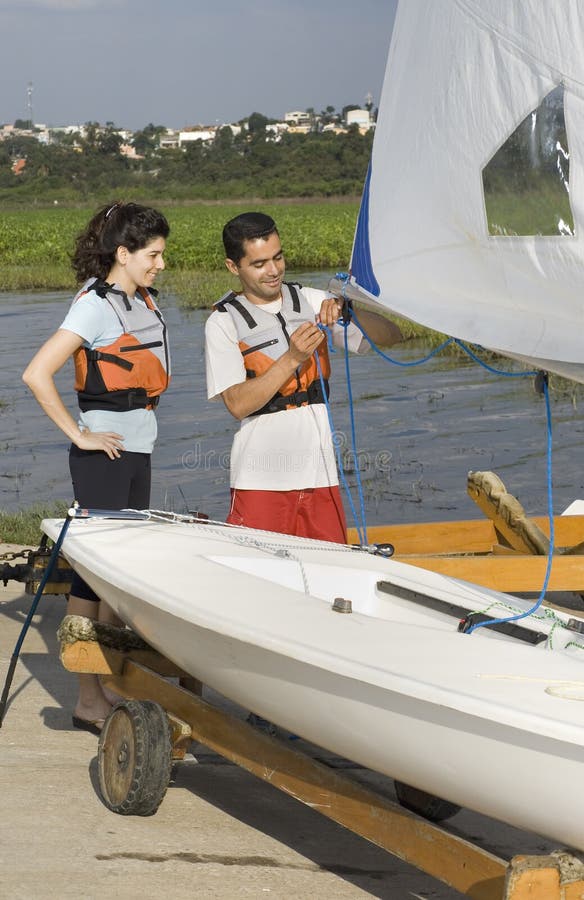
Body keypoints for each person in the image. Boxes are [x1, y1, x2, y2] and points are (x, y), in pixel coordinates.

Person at [22, 201, 171, 734]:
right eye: (153, 255)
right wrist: (79, 434)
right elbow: (36, 373)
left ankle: (105, 682)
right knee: (90, 583)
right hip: (103, 457)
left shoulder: (141, 300)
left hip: (136, 451)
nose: (161, 264)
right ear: (123, 254)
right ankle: (87, 698)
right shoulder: (94, 305)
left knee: (114, 581)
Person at [205, 211, 403, 542]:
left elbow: (392, 335)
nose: (273, 271)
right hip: (259, 482)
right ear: (233, 267)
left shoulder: (312, 301)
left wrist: (349, 311)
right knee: (260, 570)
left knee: (332, 567)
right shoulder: (222, 322)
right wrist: (292, 358)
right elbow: (237, 404)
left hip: (321, 478)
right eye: (259, 264)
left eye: (278, 257)